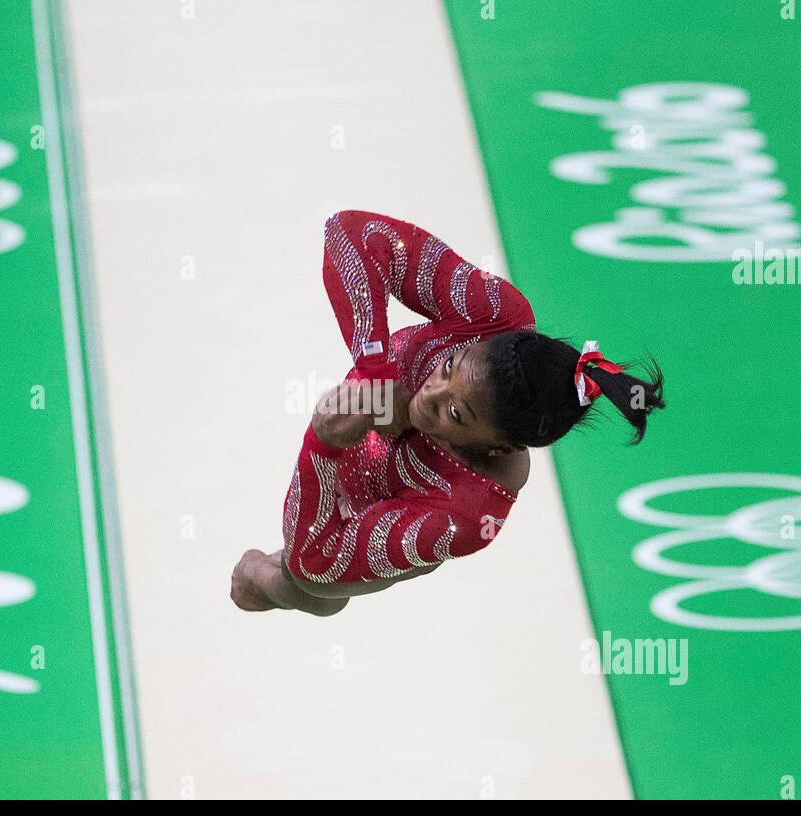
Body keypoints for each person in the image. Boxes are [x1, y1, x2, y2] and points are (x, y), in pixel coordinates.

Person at [231, 209, 665, 616]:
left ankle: (277, 585)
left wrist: (322, 444)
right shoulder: (493, 313)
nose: (428, 394)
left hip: (370, 505)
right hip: (370, 412)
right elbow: (352, 234)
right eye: (447, 367)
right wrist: (376, 377)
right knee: (312, 575)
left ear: (499, 446)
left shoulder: (468, 511)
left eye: (454, 413)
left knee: (306, 586)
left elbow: (319, 564)